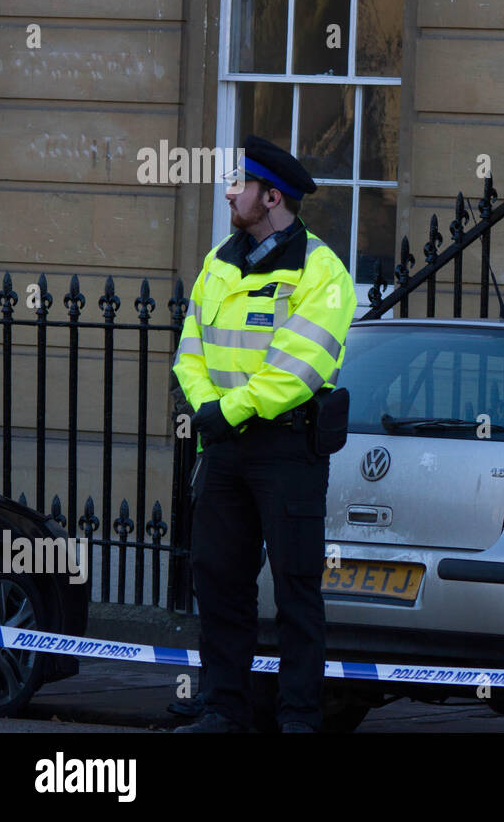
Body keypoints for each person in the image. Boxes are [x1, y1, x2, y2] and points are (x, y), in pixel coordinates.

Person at [172, 135, 356, 732]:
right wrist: (211, 412)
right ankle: (224, 709)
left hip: (285, 450)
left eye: (240, 186)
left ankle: (298, 718)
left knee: (296, 590)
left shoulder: (322, 271)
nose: (230, 193)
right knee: (220, 581)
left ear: (272, 196)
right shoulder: (219, 260)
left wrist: (228, 411)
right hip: (223, 446)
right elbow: (190, 351)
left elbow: (300, 368)